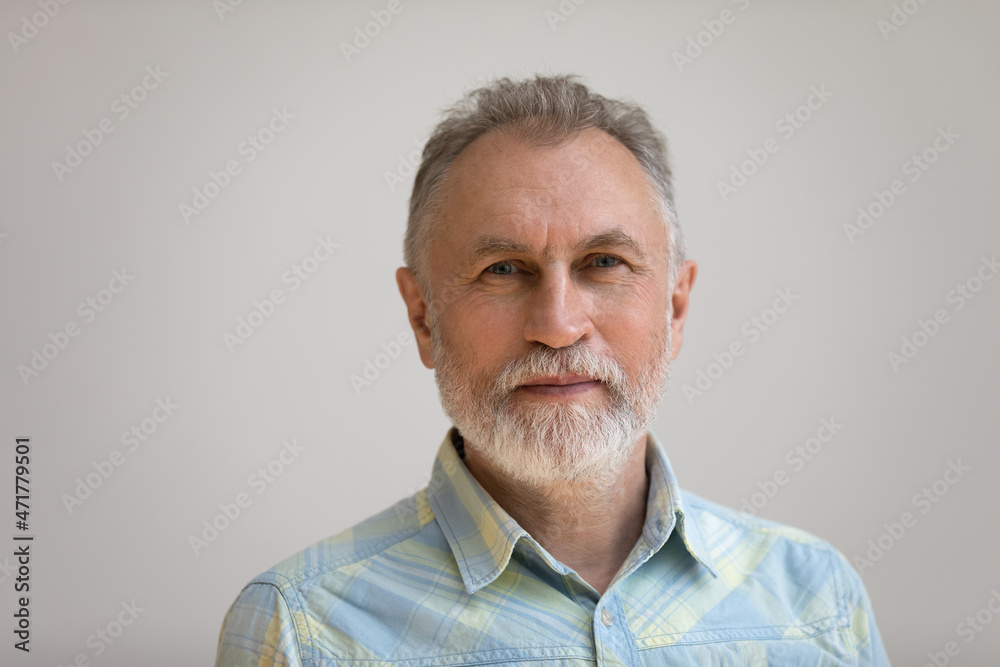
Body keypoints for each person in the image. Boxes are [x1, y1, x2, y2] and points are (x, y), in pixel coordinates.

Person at [215, 75, 890, 666]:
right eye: (503, 270)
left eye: (605, 262)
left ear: (675, 307)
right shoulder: (301, 630)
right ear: (423, 316)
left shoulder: (817, 597)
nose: (558, 324)